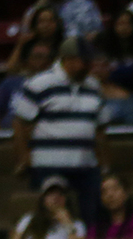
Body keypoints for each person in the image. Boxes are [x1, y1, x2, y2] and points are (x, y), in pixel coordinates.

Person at [11, 37, 108, 223]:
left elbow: (100, 128)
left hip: (85, 164)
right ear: (68, 59)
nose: (90, 66)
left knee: (93, 216)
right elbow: (19, 123)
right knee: (49, 219)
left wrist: (104, 164)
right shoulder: (39, 83)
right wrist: (24, 157)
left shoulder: (94, 86)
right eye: (85, 61)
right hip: (48, 164)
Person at [10, 176, 86, 239]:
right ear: (43, 199)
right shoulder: (28, 219)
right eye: (50, 194)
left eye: (60, 194)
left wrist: (68, 225)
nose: (56, 197)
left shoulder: (77, 225)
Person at [93, 10, 133, 124]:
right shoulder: (104, 44)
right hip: (110, 89)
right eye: (120, 24)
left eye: (128, 23)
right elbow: (99, 72)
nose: (124, 27)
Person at [0, 40, 54, 128]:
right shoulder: (10, 83)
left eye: (47, 57)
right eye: (38, 57)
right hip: (7, 134)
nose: (43, 61)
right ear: (28, 59)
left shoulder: (56, 85)